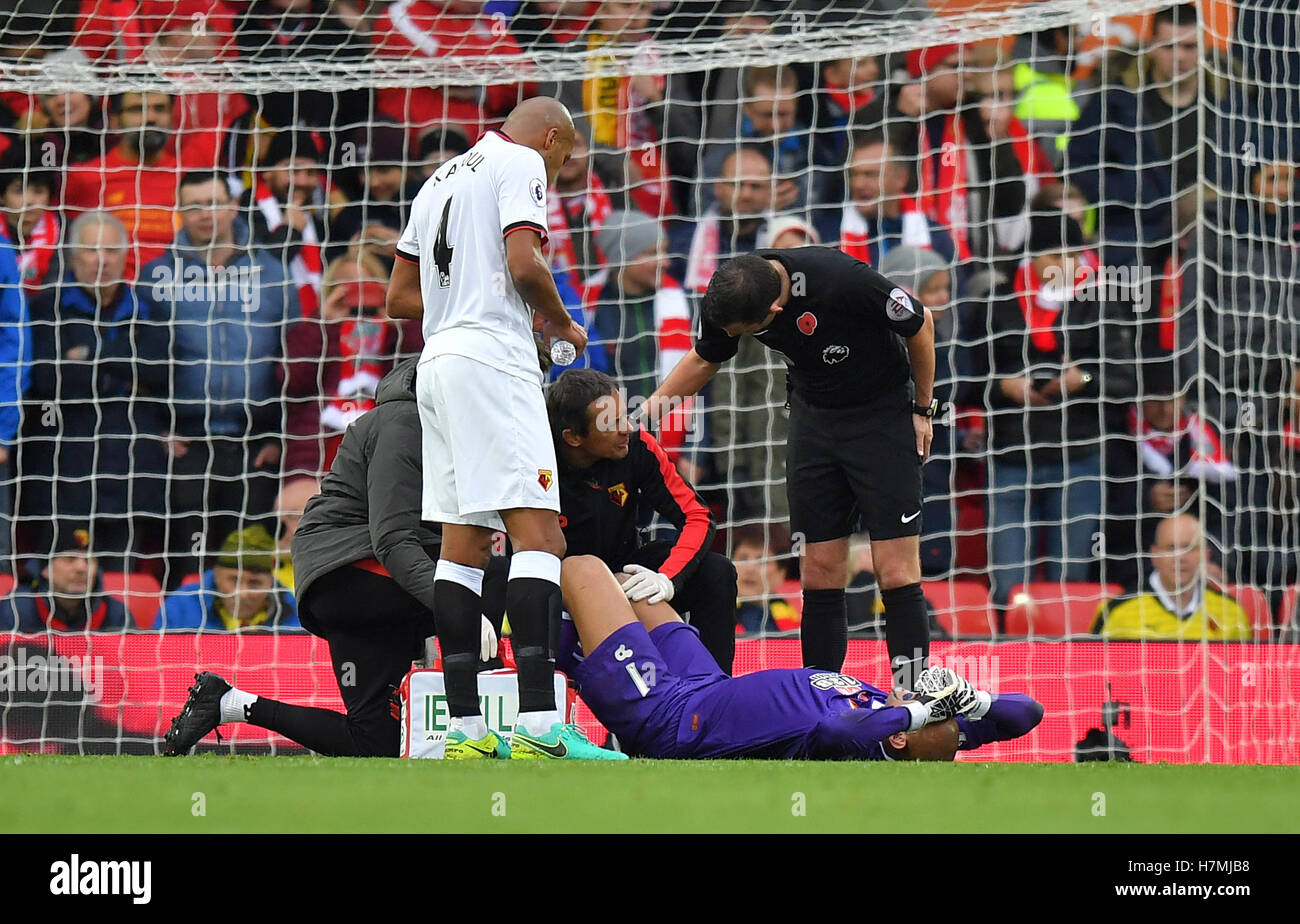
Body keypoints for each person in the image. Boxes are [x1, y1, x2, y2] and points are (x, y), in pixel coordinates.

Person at [385, 96, 620, 760]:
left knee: (463, 543)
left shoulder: (440, 179)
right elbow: (524, 264)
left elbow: (400, 298)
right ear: (551, 137)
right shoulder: (520, 161)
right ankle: (542, 725)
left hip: (438, 364)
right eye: (564, 158)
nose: (560, 170)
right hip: (493, 363)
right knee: (539, 533)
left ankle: (464, 731)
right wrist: (560, 323)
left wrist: (471, 300)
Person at [163, 359, 500, 757]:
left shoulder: (434, 425)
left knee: (374, 741)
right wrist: (456, 609)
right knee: (496, 565)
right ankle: (490, 718)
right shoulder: (405, 422)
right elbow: (393, 540)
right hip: (350, 570)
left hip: (351, 580)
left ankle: (228, 702)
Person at [644, 247, 938, 689]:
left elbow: (921, 323)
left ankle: (913, 696)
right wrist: (642, 418)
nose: (738, 339)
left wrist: (922, 408)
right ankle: (821, 697)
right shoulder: (736, 289)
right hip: (814, 420)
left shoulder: (844, 280)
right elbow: (705, 357)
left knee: (895, 569)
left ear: (776, 311)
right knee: (819, 568)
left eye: (748, 333)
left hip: (883, 420)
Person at [558, 555, 1044, 760]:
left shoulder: (856, 738)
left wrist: (917, 712)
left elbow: (835, 730)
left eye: (925, 702)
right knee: (636, 591)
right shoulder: (892, 717)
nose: (921, 690)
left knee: (583, 571)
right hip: (703, 683)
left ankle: (512, 638)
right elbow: (1027, 713)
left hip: (669, 717)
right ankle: (556, 649)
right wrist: (971, 701)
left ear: (899, 735)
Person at [138, 171, 298, 588]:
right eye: (192, 206)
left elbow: (299, 360)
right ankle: (184, 641)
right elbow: (136, 358)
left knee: (247, 560)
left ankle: (252, 647)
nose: (204, 214)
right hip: (185, 447)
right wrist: (157, 429)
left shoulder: (274, 274)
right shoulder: (156, 277)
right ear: (179, 213)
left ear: (231, 206)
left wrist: (281, 436)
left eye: (212, 203)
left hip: (255, 447)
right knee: (189, 565)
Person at [548, 368, 737, 672]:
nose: (627, 428)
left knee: (717, 571)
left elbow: (697, 516)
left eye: (624, 415)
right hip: (557, 585)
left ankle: (714, 688)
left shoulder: (637, 445)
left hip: (626, 571)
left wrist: (668, 577)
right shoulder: (538, 460)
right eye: (611, 423)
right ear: (573, 438)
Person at [18, 211, 168, 568]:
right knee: (58, 589)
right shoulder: (46, 309)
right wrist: (124, 376)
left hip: (129, 480)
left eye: (111, 250)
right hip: (62, 480)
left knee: (120, 590)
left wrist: (88, 357)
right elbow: (48, 381)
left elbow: (161, 372)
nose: (102, 260)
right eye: (91, 249)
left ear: (125, 255)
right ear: (72, 256)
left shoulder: (148, 309)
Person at [1093, 513, 1252, 641]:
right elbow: (1093, 674)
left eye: (1189, 548)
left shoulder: (1231, 611)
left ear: (1205, 555)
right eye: (1171, 548)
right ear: (1154, 555)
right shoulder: (1119, 612)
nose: (1181, 557)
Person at [155, 525, 300, 632]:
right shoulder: (181, 606)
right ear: (217, 575)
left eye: (255, 583)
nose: (243, 593)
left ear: (271, 581)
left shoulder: (295, 613)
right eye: (234, 580)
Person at [0, 525, 128, 632]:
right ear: (45, 569)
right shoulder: (15, 610)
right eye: (70, 559)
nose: (82, 568)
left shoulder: (116, 615)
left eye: (89, 560)